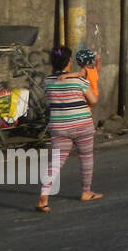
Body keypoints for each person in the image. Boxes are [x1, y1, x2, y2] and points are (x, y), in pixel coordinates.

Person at [35, 46, 103, 213]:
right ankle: (86, 192)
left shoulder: (47, 81)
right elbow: (93, 101)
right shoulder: (79, 81)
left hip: (59, 127)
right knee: (86, 158)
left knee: (56, 163)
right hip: (82, 125)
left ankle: (44, 196)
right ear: (69, 61)